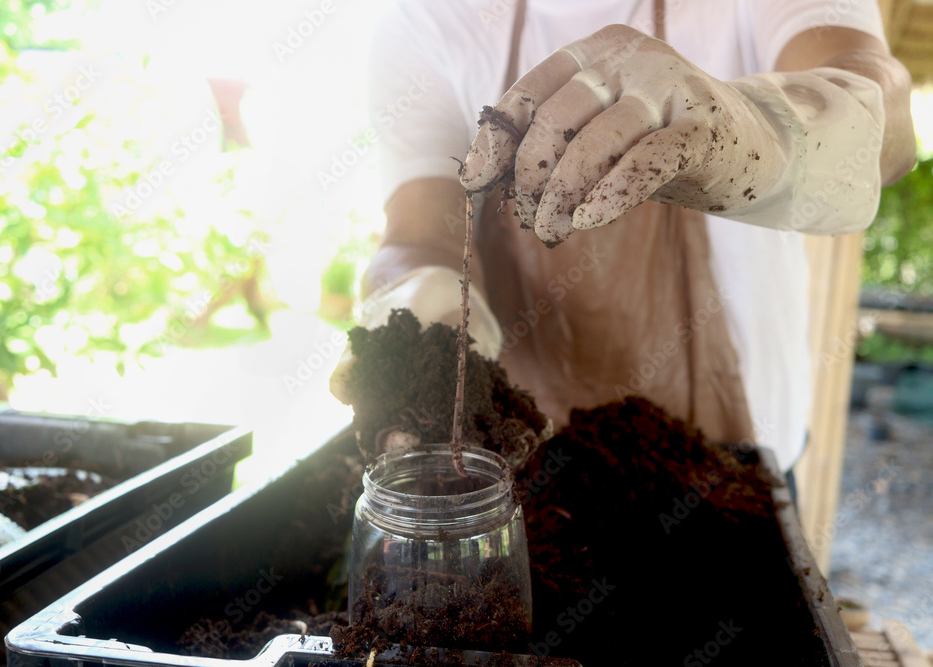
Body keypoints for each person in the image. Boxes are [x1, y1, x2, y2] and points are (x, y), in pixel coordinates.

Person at [332, 0, 916, 475]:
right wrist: (414, 301)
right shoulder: (426, 19)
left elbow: (885, 124)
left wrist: (747, 129)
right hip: (528, 483)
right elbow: (419, 232)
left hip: (728, 475)